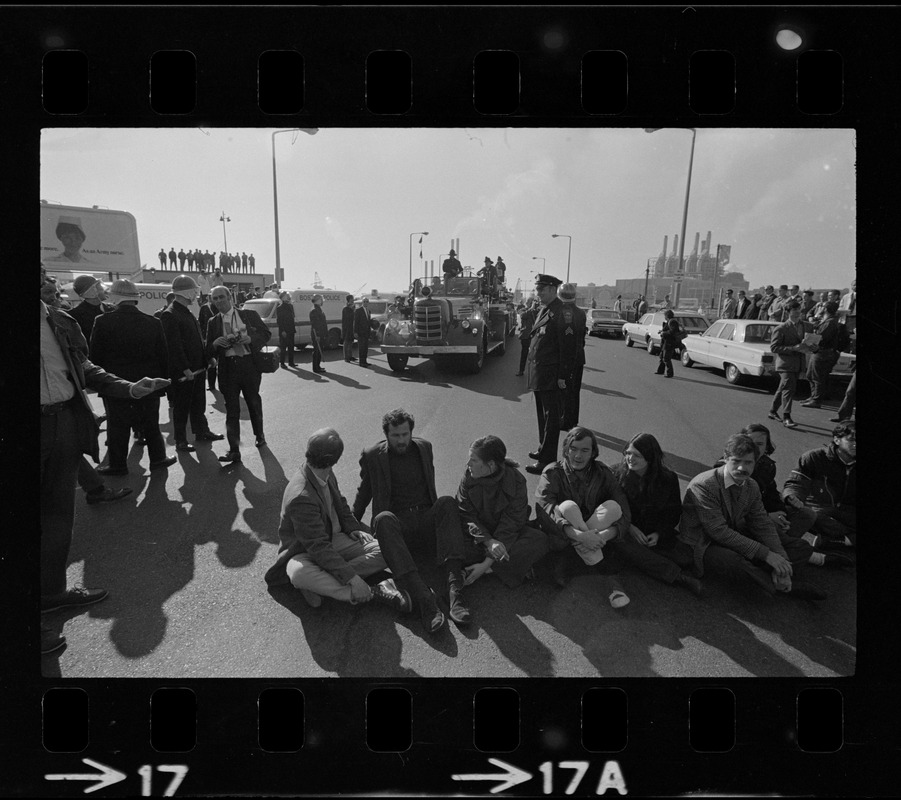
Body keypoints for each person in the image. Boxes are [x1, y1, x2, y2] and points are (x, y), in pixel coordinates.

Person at [41, 267, 160, 654]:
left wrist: (127, 387)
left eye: (47, 277)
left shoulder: (56, 318)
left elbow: (83, 368)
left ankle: (51, 594)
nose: (51, 284)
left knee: (59, 515)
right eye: (43, 277)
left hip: (62, 422)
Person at [353, 408, 472, 633]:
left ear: (411, 432)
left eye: (405, 434)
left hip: (425, 522)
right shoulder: (373, 455)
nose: (401, 440)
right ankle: (425, 601)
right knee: (383, 519)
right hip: (398, 528)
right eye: (396, 435)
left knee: (447, 502)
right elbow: (363, 492)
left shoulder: (424, 448)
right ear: (386, 434)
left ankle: (455, 589)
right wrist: (349, 524)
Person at [264, 428, 409, 612]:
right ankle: (372, 591)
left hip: (334, 538)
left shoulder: (324, 472)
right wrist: (354, 580)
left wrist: (351, 528)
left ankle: (321, 583)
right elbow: (317, 546)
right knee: (299, 574)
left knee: (386, 549)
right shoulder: (301, 496)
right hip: (304, 550)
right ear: (333, 460)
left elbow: (340, 502)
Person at [678, 434, 826, 601]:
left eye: (748, 462)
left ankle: (768, 575)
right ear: (726, 458)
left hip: (735, 533)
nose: (742, 468)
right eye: (736, 461)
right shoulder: (705, 485)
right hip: (704, 542)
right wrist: (766, 555)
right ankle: (783, 587)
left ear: (756, 462)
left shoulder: (751, 485)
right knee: (735, 562)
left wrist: (779, 554)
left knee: (801, 547)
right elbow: (717, 531)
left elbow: (761, 522)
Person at [534, 427, 632, 606]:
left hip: (595, 531)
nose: (578, 456)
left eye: (585, 450)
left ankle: (582, 554)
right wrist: (579, 535)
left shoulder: (603, 472)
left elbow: (624, 510)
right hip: (564, 534)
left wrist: (601, 536)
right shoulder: (552, 472)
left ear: (593, 452)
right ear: (566, 450)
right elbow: (545, 509)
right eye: (573, 449)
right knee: (567, 507)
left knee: (613, 507)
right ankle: (612, 584)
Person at [89, 280, 175, 475]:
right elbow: (163, 356)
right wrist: (163, 385)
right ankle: (158, 459)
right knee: (151, 424)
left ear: (115, 298)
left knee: (117, 427)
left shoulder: (102, 321)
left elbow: (95, 357)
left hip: (116, 385)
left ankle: (118, 465)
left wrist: (101, 384)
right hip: (149, 383)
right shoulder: (153, 322)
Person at [737, 424, 852, 570]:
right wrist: (776, 508)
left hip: (763, 514)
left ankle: (783, 553)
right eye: (749, 443)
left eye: (759, 444)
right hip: (745, 519)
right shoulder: (735, 465)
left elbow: (771, 493)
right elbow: (735, 507)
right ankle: (808, 557)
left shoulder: (766, 464)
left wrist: (780, 512)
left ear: (767, 447)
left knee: (806, 514)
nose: (754, 448)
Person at [609, 433, 702, 595]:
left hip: (653, 533)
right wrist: (630, 527)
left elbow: (673, 512)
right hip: (626, 530)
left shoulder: (668, 478)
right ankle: (678, 577)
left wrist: (658, 533)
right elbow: (609, 507)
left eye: (637, 455)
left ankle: (639, 559)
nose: (630, 458)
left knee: (686, 557)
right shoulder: (616, 474)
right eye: (628, 453)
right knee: (623, 544)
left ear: (650, 457)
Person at [456, 436, 549, 588]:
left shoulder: (516, 481)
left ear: (491, 464)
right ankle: (508, 567)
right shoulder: (468, 477)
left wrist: (486, 564)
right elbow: (465, 514)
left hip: (506, 536)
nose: (468, 464)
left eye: (474, 460)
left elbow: (512, 523)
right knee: (454, 542)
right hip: (479, 535)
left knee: (539, 540)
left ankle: (485, 570)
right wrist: (489, 541)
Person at [206, 284, 271, 462]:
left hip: (249, 366)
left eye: (222, 297)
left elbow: (266, 334)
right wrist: (214, 344)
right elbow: (208, 351)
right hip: (228, 370)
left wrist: (251, 339)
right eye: (215, 298)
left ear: (230, 298)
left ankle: (260, 435)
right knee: (232, 411)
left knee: (253, 403)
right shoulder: (213, 322)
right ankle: (234, 450)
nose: (219, 301)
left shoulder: (248, 315)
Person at [160, 274, 224, 452]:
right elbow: (174, 346)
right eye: (194, 291)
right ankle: (180, 440)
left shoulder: (186, 312)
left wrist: (207, 358)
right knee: (181, 407)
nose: (196, 295)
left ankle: (201, 431)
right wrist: (185, 368)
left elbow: (198, 340)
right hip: (185, 372)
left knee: (198, 403)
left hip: (197, 368)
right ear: (187, 292)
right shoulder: (170, 314)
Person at [524, 274, 578, 474]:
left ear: (554, 290)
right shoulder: (545, 309)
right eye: (537, 289)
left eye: (542, 290)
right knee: (542, 415)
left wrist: (563, 376)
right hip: (541, 371)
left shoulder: (562, 312)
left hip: (552, 374)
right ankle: (542, 448)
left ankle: (547, 460)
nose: (538, 293)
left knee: (551, 418)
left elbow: (568, 347)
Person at [783, 421, 856, 549]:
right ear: (837, 440)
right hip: (820, 511)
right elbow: (796, 484)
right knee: (802, 512)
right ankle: (844, 540)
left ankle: (838, 541)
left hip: (848, 513)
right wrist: (792, 497)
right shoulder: (814, 458)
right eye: (851, 440)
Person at [767, 301, 812, 429]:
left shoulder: (807, 326)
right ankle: (787, 416)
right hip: (785, 364)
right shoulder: (781, 328)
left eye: (799, 309)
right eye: (794, 310)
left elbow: (810, 343)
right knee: (789, 389)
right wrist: (793, 348)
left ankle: (772, 411)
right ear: (787, 312)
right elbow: (774, 347)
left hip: (799, 363)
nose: (797, 312)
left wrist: (813, 347)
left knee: (784, 387)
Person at [558, 283, 587, 430]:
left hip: (567, 359)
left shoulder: (564, 312)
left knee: (565, 392)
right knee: (575, 392)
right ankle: (573, 420)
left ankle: (567, 422)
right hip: (579, 357)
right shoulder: (581, 313)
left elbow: (568, 338)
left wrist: (563, 370)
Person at [801, 301, 840, 409]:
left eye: (822, 306)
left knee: (817, 377)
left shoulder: (830, 322)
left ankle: (816, 400)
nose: (819, 307)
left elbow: (821, 337)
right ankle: (813, 396)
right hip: (820, 352)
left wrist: (810, 338)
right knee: (810, 375)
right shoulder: (827, 321)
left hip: (823, 352)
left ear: (826, 309)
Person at [68, 275, 113, 343]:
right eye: (99, 286)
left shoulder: (111, 309)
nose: (104, 289)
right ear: (92, 291)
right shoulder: (75, 314)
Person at [198, 294, 219, 391]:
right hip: (208, 337)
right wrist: (203, 336)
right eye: (211, 297)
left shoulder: (219, 306)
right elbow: (201, 322)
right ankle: (211, 384)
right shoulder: (204, 308)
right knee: (211, 361)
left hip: (219, 337)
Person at [515, 298, 537, 376]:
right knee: (524, 353)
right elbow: (522, 315)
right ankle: (521, 370)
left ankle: (536, 372)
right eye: (529, 302)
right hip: (526, 335)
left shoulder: (535, 311)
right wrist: (531, 308)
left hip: (535, 335)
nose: (530, 303)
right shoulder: (523, 310)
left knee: (536, 355)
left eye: (532, 302)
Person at [276, 291, 296, 368]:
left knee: (291, 346)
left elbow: (292, 318)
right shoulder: (280, 307)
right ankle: (282, 363)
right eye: (285, 296)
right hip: (284, 330)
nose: (287, 296)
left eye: (287, 295)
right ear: (282, 297)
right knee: (283, 347)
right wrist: (283, 330)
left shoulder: (290, 306)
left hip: (291, 329)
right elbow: (279, 321)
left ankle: (291, 362)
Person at [309, 293, 328, 374]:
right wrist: (317, 335)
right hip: (317, 334)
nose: (322, 301)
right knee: (317, 351)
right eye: (321, 299)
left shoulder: (318, 309)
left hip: (321, 333)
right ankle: (315, 368)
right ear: (317, 300)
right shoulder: (314, 310)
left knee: (319, 350)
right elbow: (315, 324)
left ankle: (318, 366)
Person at [354, 296, 374, 367]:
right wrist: (355, 332)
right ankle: (361, 362)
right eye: (364, 301)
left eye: (367, 301)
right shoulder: (358, 310)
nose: (365, 303)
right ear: (362, 302)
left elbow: (368, 321)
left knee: (365, 348)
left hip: (366, 332)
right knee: (361, 348)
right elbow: (356, 322)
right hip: (360, 332)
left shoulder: (368, 311)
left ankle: (365, 361)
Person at [341, 294, 356, 363]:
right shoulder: (346, 308)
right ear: (349, 300)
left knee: (350, 342)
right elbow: (348, 317)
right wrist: (352, 310)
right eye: (352, 299)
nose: (353, 300)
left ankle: (350, 356)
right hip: (347, 328)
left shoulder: (352, 308)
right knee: (346, 342)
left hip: (351, 328)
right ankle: (346, 357)